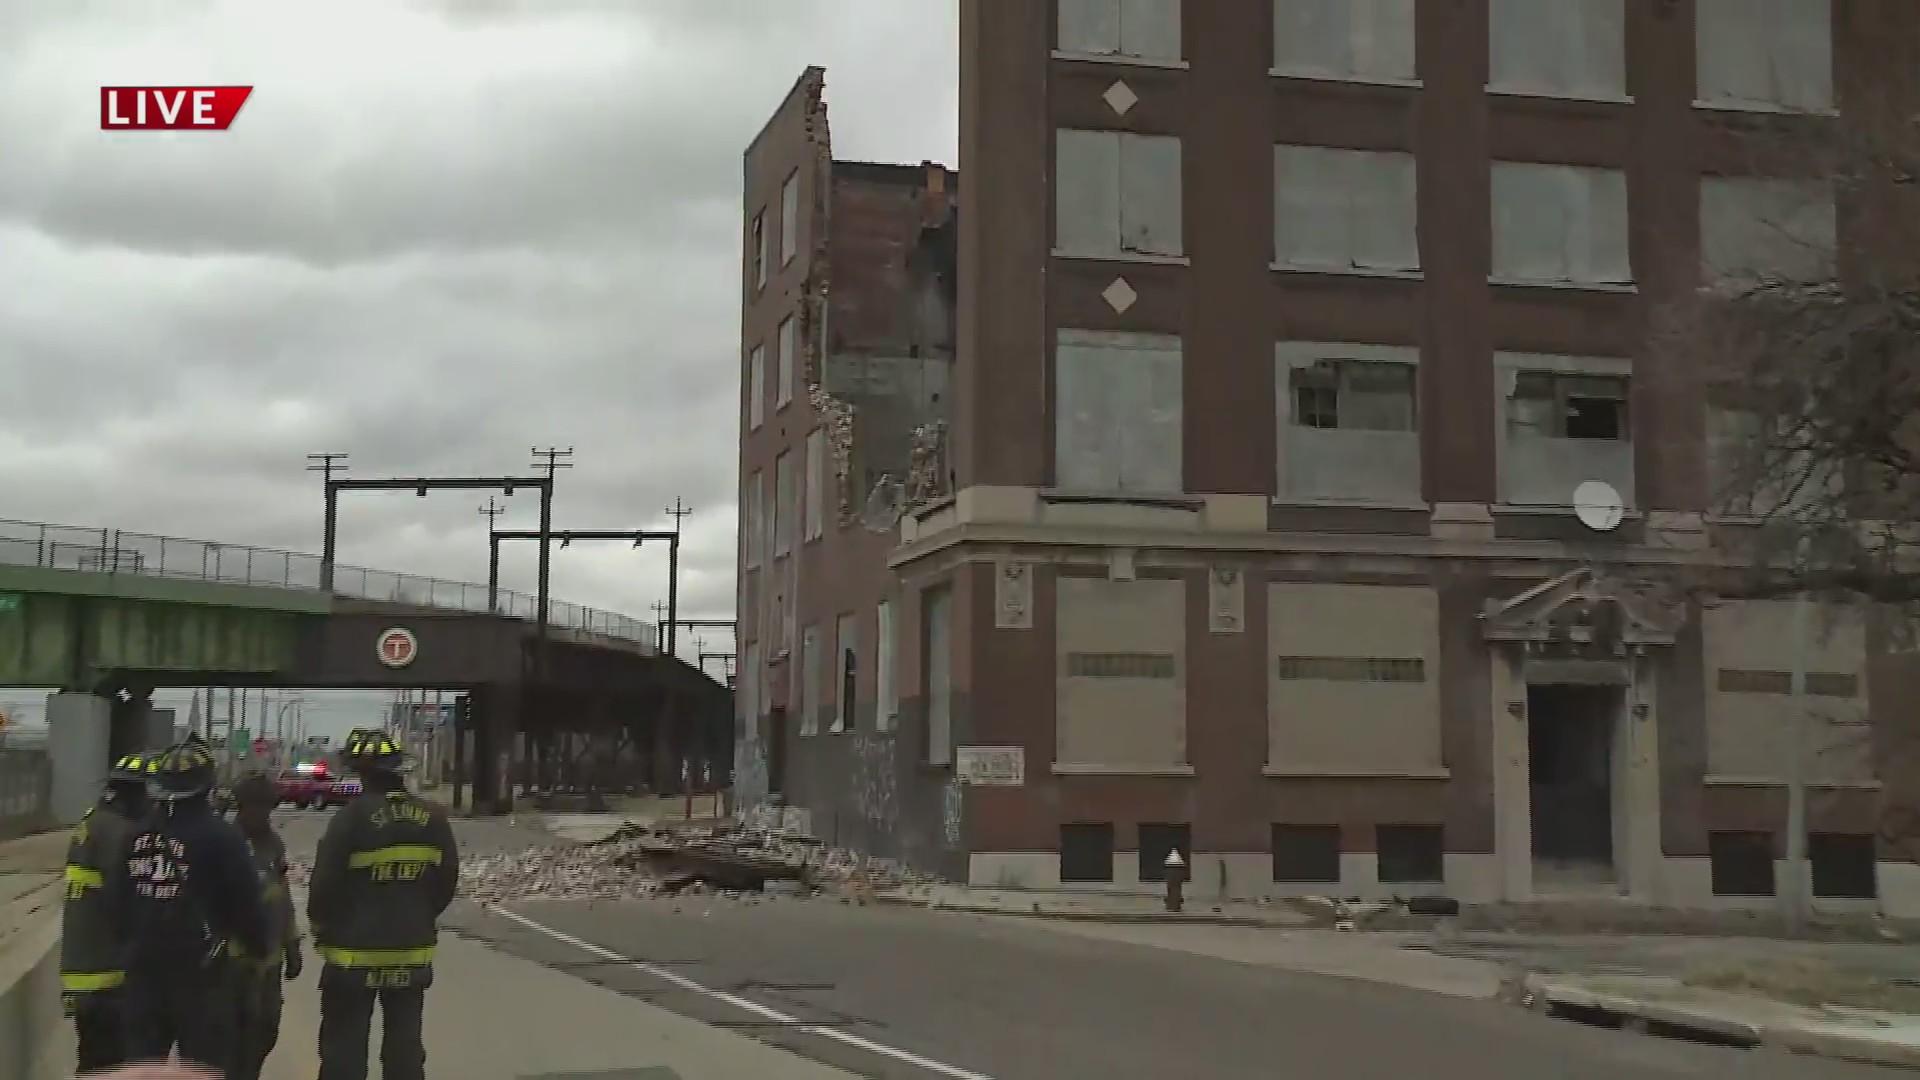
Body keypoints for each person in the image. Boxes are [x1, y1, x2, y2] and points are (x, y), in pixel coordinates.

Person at [112, 734, 271, 1074]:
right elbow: (246, 905)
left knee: (142, 1067)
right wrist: (260, 951)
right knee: (203, 1068)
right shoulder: (222, 839)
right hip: (202, 977)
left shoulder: (134, 836)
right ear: (206, 785)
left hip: (143, 975)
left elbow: (116, 904)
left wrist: (132, 948)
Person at [310, 729, 458, 1080]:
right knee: (404, 1049)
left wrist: (322, 927)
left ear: (360, 772)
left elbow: (324, 887)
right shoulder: (433, 819)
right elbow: (446, 881)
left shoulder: (348, 820)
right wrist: (419, 914)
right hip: (411, 952)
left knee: (344, 1050)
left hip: (351, 956)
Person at [59, 751, 152, 1073]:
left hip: (81, 971)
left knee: (92, 1060)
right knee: (111, 1064)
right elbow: (132, 902)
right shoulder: (122, 834)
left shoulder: (92, 822)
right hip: (109, 974)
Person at [228, 772, 304, 1080]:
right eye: (254, 807)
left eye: (267, 807)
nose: (262, 815)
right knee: (233, 1039)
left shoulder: (274, 845)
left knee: (266, 1030)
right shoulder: (226, 842)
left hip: (269, 963)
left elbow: (282, 897)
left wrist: (293, 945)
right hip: (230, 965)